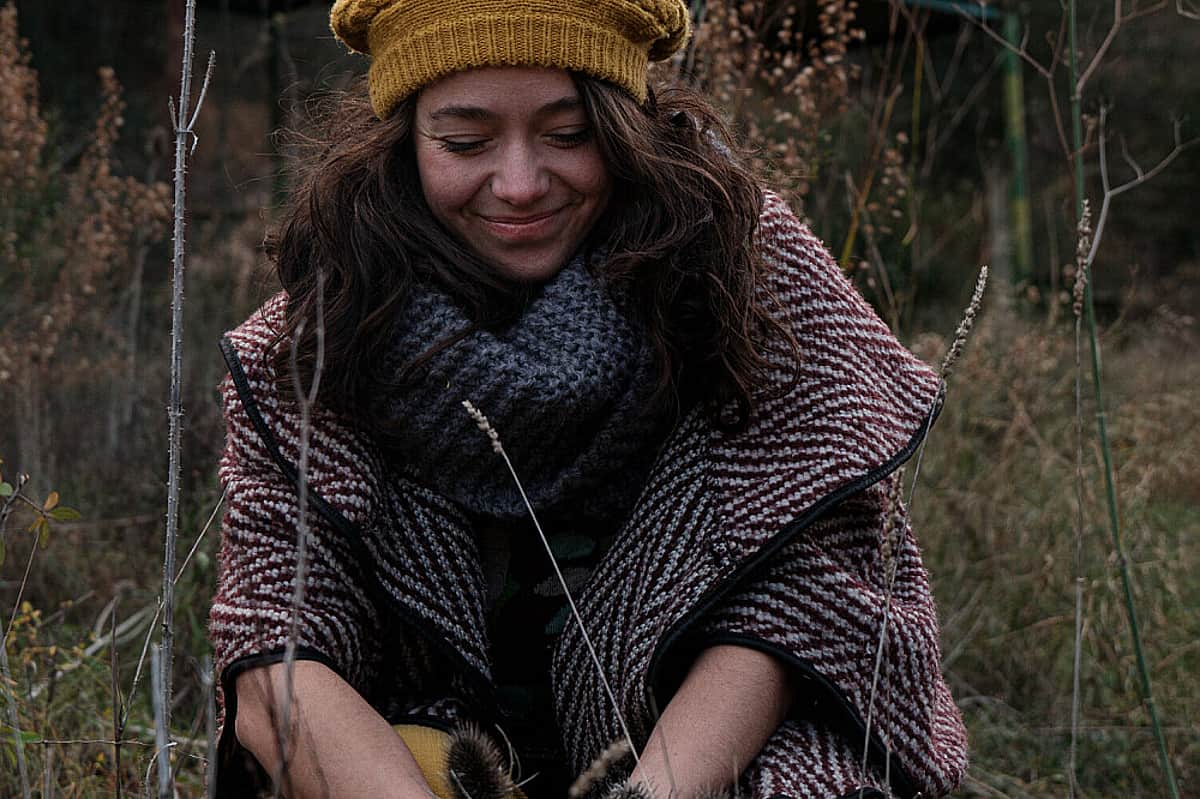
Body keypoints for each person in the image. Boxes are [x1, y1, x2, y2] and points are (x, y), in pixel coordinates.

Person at [209, 0, 968, 797]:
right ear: (405, 139)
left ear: (624, 124)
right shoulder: (313, 344)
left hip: (696, 758)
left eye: (569, 135)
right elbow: (277, 658)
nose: (521, 185)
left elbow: (803, 602)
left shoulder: (750, 283)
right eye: (465, 142)